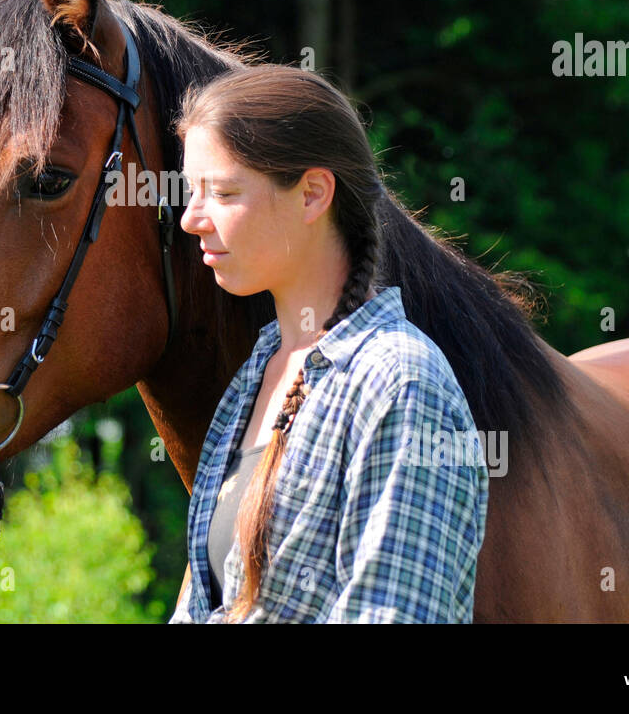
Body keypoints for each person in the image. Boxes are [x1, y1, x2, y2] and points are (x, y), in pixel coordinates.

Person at [167, 65, 490, 623]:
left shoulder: (402, 383)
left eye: (221, 192)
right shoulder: (256, 374)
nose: (192, 219)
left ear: (313, 194)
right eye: (191, 192)